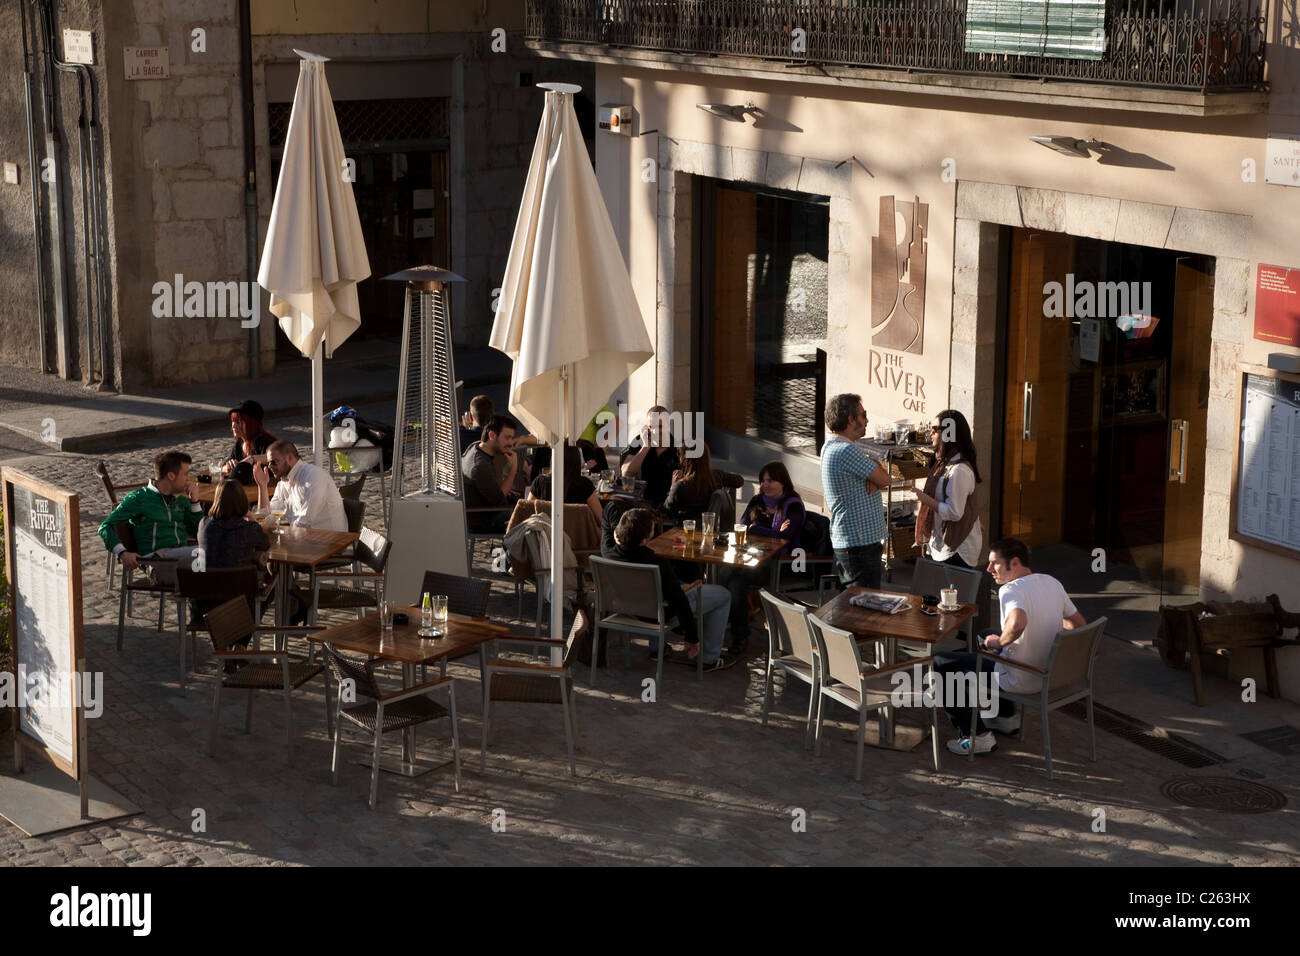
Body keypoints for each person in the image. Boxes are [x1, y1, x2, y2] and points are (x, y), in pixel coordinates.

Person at [934, 537, 1087, 756]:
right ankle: (1005, 718)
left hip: (1022, 678)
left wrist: (999, 642)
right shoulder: (1051, 582)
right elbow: (1078, 625)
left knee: (943, 663)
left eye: (994, 563)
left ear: (1014, 563)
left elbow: (1017, 623)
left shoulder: (1010, 591)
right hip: (1049, 673)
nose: (989, 569)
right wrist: (1045, 630)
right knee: (984, 635)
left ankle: (976, 736)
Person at [603, 508, 736, 671]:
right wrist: (691, 637)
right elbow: (679, 601)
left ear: (618, 534)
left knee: (660, 592)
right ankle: (709, 658)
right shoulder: (656, 563)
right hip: (658, 614)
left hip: (627, 608)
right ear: (647, 538)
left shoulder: (608, 556)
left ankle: (657, 649)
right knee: (723, 594)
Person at [721, 462, 807, 654]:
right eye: (763, 481)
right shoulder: (757, 501)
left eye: (771, 480)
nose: (765, 485)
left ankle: (711, 617)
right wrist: (768, 531)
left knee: (727, 573)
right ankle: (739, 637)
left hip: (779, 564)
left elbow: (784, 536)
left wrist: (756, 529)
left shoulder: (793, 505)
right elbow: (741, 527)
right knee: (735, 582)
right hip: (751, 559)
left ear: (783, 482)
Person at [98, 450, 204, 587]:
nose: (189, 479)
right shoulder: (140, 498)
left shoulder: (181, 500)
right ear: (171, 476)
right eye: (186, 474)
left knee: (218, 563)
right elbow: (105, 527)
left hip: (181, 558)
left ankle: (201, 607)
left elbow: (198, 533)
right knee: (210, 557)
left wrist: (194, 502)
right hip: (157, 563)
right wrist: (122, 553)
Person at [820, 393, 890, 589]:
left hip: (853, 544)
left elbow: (879, 478)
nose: (867, 420)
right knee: (863, 612)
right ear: (850, 419)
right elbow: (886, 479)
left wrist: (873, 473)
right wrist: (876, 476)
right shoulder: (846, 450)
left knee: (853, 609)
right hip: (860, 546)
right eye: (863, 414)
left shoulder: (831, 446)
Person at [193, 478, 272, 626]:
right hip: (240, 600)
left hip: (206, 601)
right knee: (274, 583)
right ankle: (244, 635)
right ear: (242, 501)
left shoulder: (204, 524)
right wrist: (253, 520)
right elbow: (265, 543)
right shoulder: (249, 529)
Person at [914, 409, 983, 569]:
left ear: (950, 433)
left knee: (950, 594)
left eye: (935, 429)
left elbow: (954, 512)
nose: (930, 432)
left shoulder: (958, 470)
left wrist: (924, 499)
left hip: (957, 549)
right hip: (942, 543)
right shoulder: (943, 463)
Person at [254, 439, 347, 532]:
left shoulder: (313, 476)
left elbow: (306, 520)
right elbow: (266, 520)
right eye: (268, 463)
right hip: (305, 538)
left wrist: (286, 536)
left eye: (274, 462)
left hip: (331, 540)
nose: (270, 466)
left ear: (289, 458)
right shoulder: (282, 485)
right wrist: (262, 487)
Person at [461, 414, 521, 531]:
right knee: (528, 518)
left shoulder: (475, 446)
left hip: (478, 509)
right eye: (507, 438)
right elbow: (500, 502)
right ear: (492, 435)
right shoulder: (480, 466)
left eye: (511, 438)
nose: (510, 443)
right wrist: (513, 468)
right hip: (482, 519)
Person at [662, 442, 743, 525]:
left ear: (684, 460)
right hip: (708, 529)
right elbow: (740, 481)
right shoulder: (717, 476)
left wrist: (672, 487)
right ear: (707, 457)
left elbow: (666, 512)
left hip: (685, 531)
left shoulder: (681, 486)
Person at [527, 442, 602, 525]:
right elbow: (601, 519)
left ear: (553, 459)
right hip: (578, 536)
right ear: (577, 459)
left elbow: (527, 513)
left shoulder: (540, 482)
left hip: (546, 535)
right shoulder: (585, 485)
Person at [619, 406, 680, 507]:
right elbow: (626, 473)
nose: (655, 432)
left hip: (667, 502)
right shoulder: (640, 441)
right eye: (652, 427)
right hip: (642, 500)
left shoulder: (677, 447)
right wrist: (645, 447)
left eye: (660, 427)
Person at [222, 400, 277, 480]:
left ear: (251, 424)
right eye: (233, 421)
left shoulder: (264, 442)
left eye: (238, 422)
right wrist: (228, 467)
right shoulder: (239, 444)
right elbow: (222, 467)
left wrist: (252, 458)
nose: (233, 426)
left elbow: (275, 458)